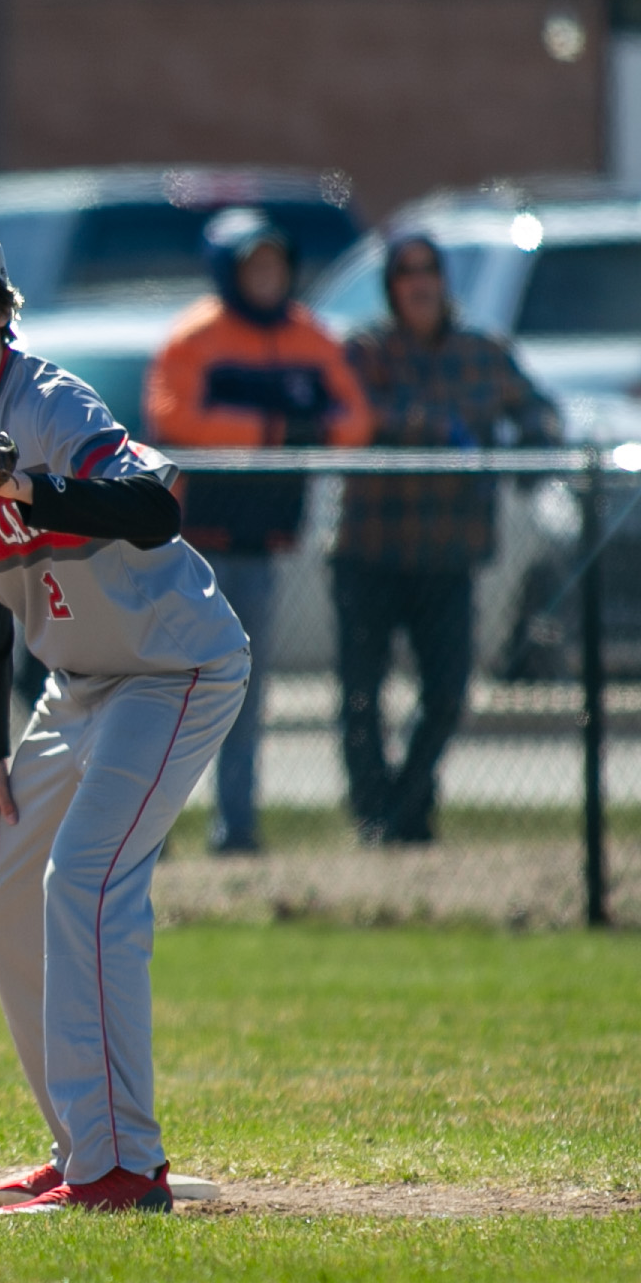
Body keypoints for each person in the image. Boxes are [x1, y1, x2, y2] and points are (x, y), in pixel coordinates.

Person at [0, 222, 250, 1215]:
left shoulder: (47, 404)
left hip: (171, 668)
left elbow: (153, 505)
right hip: (73, 687)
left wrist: (22, 485)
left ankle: (122, 1170)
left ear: (3, 310)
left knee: (83, 882)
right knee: (4, 906)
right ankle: (80, 1145)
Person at [144, 209, 372, 853]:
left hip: (265, 542)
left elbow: (353, 421)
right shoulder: (196, 337)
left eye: (275, 265)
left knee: (243, 693)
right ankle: (147, 829)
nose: (267, 278)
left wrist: (302, 432)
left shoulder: (307, 336)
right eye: (253, 266)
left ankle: (237, 829)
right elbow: (175, 418)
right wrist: (275, 432)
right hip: (191, 546)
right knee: (174, 692)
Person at [338, 232, 560, 843]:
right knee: (361, 696)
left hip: (449, 551)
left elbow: (537, 408)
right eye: (407, 273)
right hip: (371, 551)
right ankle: (372, 810)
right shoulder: (366, 351)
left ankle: (405, 810)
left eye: (429, 271)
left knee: (446, 693)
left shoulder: (482, 352)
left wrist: (534, 439)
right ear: (391, 288)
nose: (420, 283)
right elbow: (357, 416)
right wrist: (441, 429)